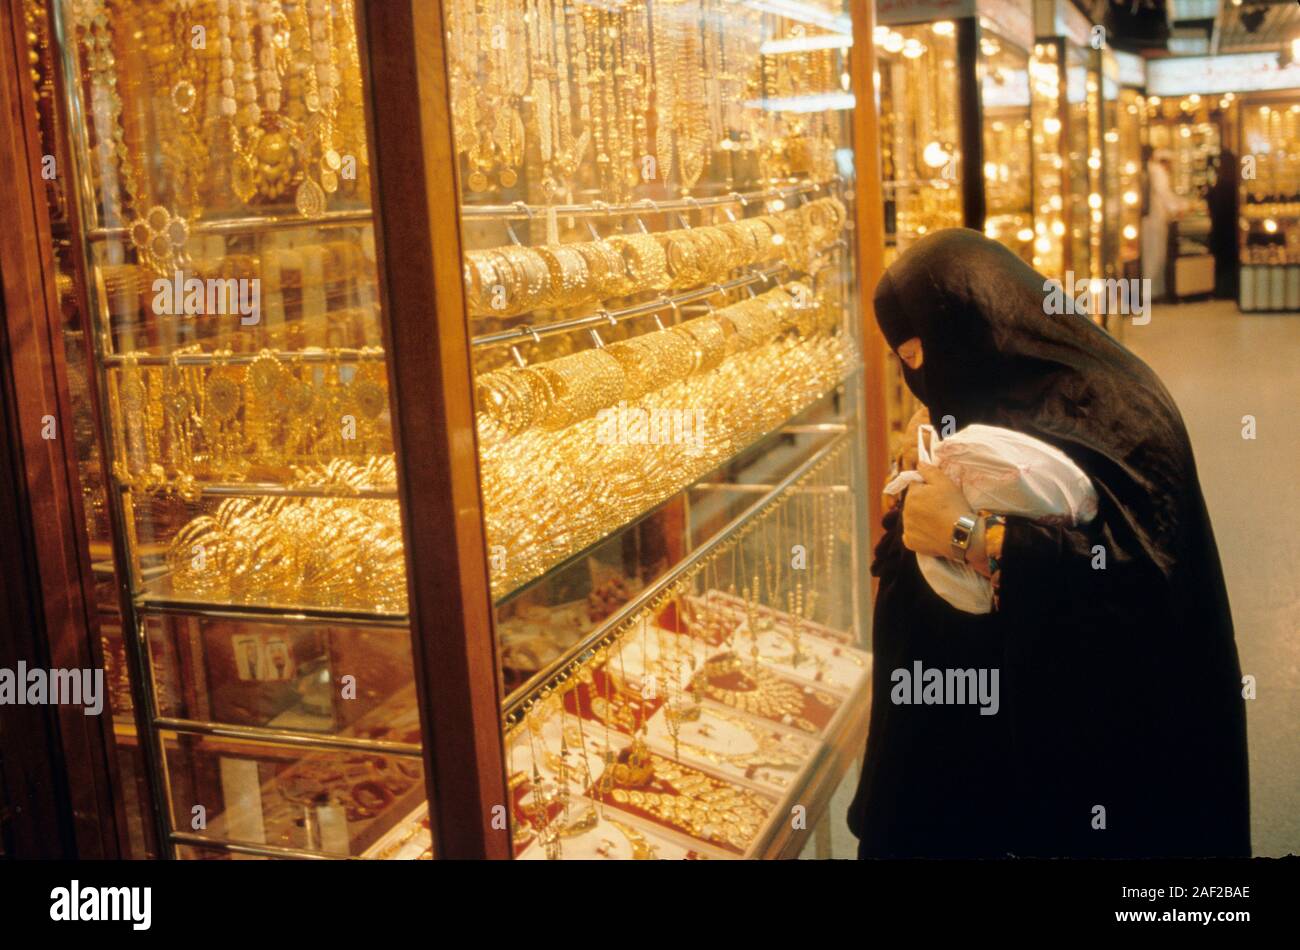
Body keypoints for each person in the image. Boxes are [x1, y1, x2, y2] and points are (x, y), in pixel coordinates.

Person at [848, 229, 1250, 859]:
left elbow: (1139, 595)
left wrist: (970, 537)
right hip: (989, 755)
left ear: (973, 325)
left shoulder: (1117, 413)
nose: (916, 378)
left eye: (919, 355)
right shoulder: (997, 387)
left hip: (1101, 779)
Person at [1141, 147, 1186, 300]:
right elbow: (1164, 194)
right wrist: (1178, 208)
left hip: (1151, 220)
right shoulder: (1158, 171)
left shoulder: (1150, 170)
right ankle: (1153, 291)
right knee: (1155, 255)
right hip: (1155, 220)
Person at [1206, 148, 1240, 299]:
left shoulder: (1219, 186)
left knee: (1221, 263)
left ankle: (1221, 291)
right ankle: (1231, 290)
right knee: (1231, 263)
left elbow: (1212, 205)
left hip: (1219, 231)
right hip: (1232, 231)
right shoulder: (1236, 186)